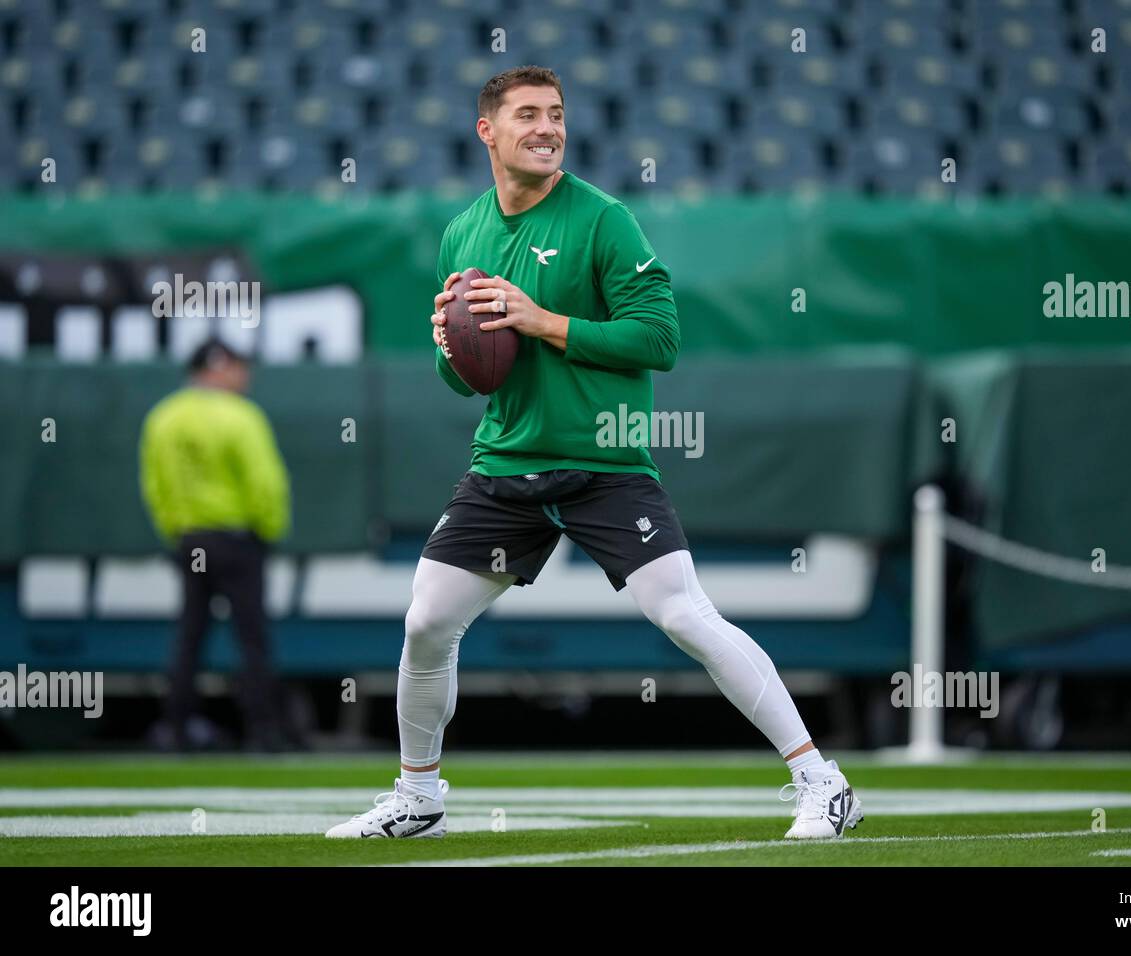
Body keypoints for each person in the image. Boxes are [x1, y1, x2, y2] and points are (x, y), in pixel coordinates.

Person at [326, 66, 862, 840]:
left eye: (557, 114)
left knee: (682, 615)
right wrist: (448, 346)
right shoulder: (464, 230)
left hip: (603, 464)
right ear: (488, 131)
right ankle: (419, 797)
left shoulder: (604, 220)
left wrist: (542, 320)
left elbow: (661, 340)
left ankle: (824, 782)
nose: (547, 128)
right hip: (506, 464)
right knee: (425, 625)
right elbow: (463, 378)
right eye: (528, 115)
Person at [139, 338, 292, 751]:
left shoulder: (164, 417)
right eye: (239, 367)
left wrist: (176, 530)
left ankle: (175, 727)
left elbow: (156, 485)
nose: (245, 376)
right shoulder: (240, 416)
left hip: (191, 541)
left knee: (190, 635)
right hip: (237, 540)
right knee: (252, 637)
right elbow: (265, 482)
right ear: (219, 367)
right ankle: (263, 732)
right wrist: (269, 529)